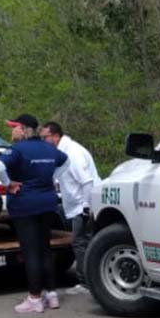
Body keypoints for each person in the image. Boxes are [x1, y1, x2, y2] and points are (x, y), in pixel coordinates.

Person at [0, 114, 68, 314]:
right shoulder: (49, 147)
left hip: (25, 204)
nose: (12, 131)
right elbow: (65, 162)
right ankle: (51, 295)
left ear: (24, 129)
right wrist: (51, 178)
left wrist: (8, 184)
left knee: (30, 251)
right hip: (47, 202)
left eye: (14, 127)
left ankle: (34, 298)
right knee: (45, 248)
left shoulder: (17, 149)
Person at [40, 121, 100, 294]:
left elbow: (86, 181)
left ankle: (87, 283)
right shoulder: (63, 151)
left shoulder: (72, 152)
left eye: (45, 137)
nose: (44, 141)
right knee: (83, 242)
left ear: (56, 136)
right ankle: (89, 281)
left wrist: (88, 207)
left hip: (83, 206)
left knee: (80, 242)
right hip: (78, 205)